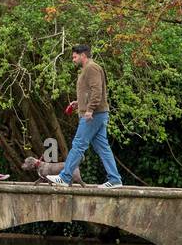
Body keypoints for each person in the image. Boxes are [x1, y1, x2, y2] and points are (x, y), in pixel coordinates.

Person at [44, 44, 123, 188]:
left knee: (78, 144)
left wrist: (90, 109)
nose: (73, 60)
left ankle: (65, 177)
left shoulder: (91, 68)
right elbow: (90, 92)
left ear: (83, 55)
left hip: (93, 115)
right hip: (98, 113)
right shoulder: (88, 69)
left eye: (75, 57)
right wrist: (79, 102)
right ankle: (115, 179)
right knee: (103, 148)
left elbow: (96, 90)